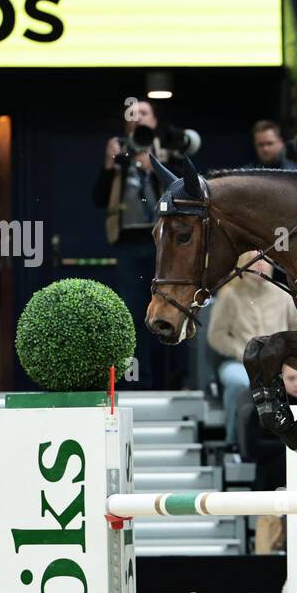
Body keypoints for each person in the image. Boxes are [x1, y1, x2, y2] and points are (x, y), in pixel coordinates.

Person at [91, 98, 177, 391]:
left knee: (167, 310)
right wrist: (108, 164)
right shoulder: (119, 152)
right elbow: (99, 199)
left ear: (154, 121)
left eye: (144, 113)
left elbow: (187, 192)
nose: (138, 118)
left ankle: (170, 382)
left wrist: (156, 166)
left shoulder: (167, 151)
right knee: (131, 311)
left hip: (164, 245)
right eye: (133, 113)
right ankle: (139, 382)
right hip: (128, 243)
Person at [207, 255, 297, 447]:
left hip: (279, 364)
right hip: (238, 362)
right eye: (254, 260)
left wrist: (286, 355)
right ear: (244, 264)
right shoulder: (230, 295)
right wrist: (239, 351)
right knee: (239, 381)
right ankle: (234, 443)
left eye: (266, 259)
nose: (261, 264)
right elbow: (215, 335)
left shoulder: (283, 295)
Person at [244, 365, 297, 553]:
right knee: (266, 545)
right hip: (270, 483)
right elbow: (252, 447)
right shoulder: (264, 407)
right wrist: (291, 446)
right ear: (281, 379)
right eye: (291, 379)